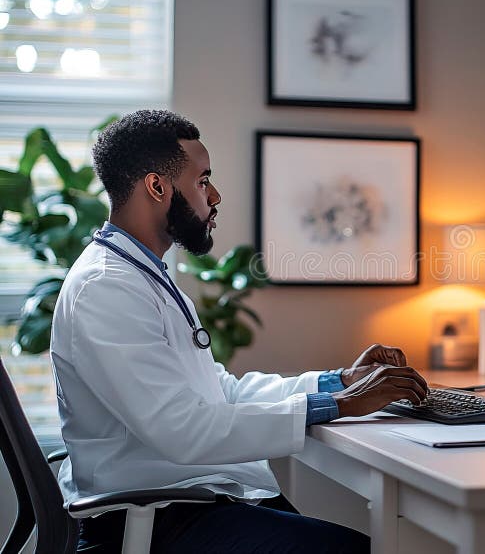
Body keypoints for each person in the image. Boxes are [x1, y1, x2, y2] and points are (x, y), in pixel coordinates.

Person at [50, 109, 429, 553]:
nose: (215, 195)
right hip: (154, 524)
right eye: (202, 180)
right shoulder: (106, 287)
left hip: (186, 503)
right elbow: (184, 430)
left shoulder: (140, 275)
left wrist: (338, 383)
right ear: (157, 187)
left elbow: (219, 392)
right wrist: (339, 405)